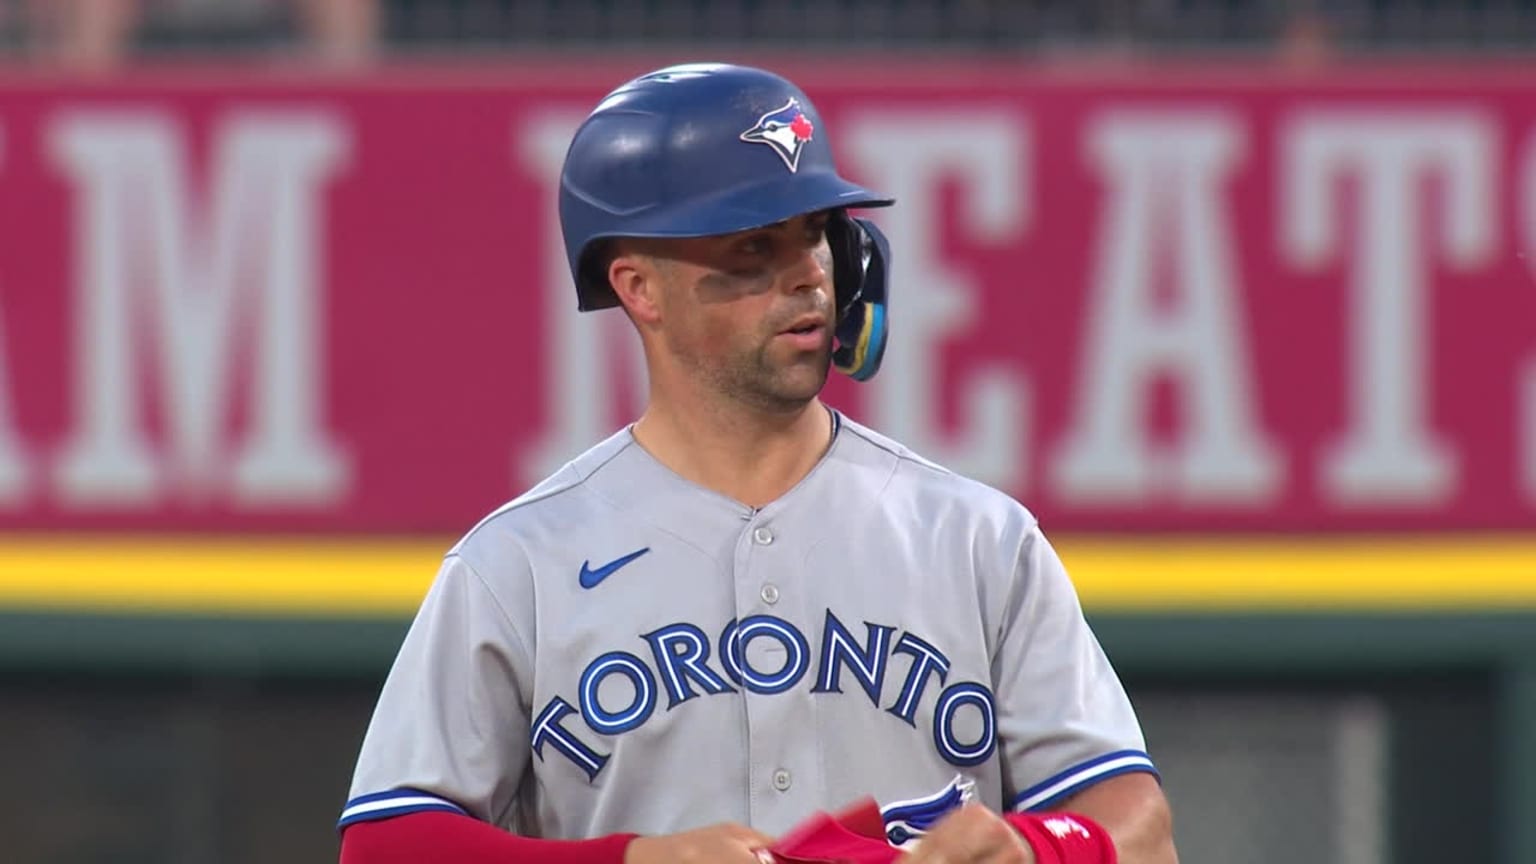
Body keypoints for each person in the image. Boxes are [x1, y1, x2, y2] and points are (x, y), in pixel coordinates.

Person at [336, 62, 1179, 864]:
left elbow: (1141, 830)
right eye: (752, 248)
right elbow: (383, 845)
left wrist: (1035, 848)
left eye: (814, 235)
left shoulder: (977, 541)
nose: (806, 277)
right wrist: (629, 859)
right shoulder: (517, 564)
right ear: (640, 288)